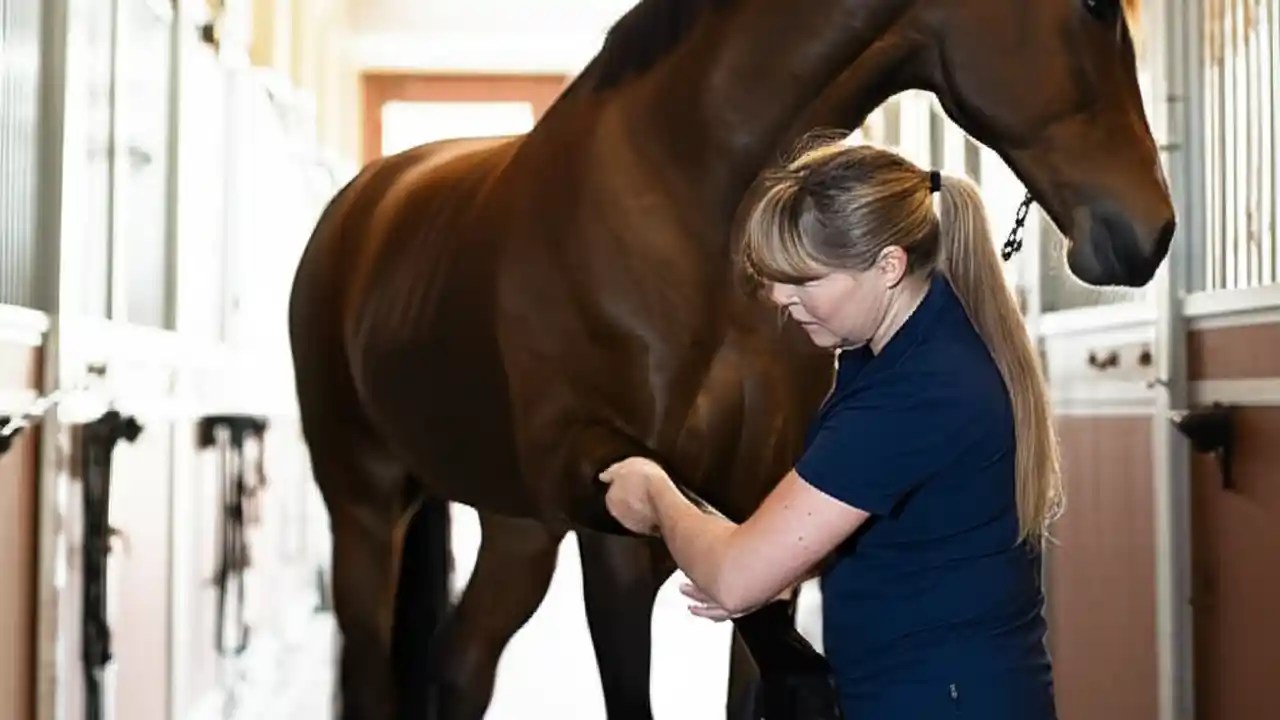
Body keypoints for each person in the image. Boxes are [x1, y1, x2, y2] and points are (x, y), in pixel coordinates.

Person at [599, 139, 1062, 718]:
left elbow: (735, 579)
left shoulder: (917, 390)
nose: (778, 296)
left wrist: (655, 493)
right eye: (775, 277)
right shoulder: (892, 349)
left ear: (888, 266)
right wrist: (783, 559)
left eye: (804, 279)